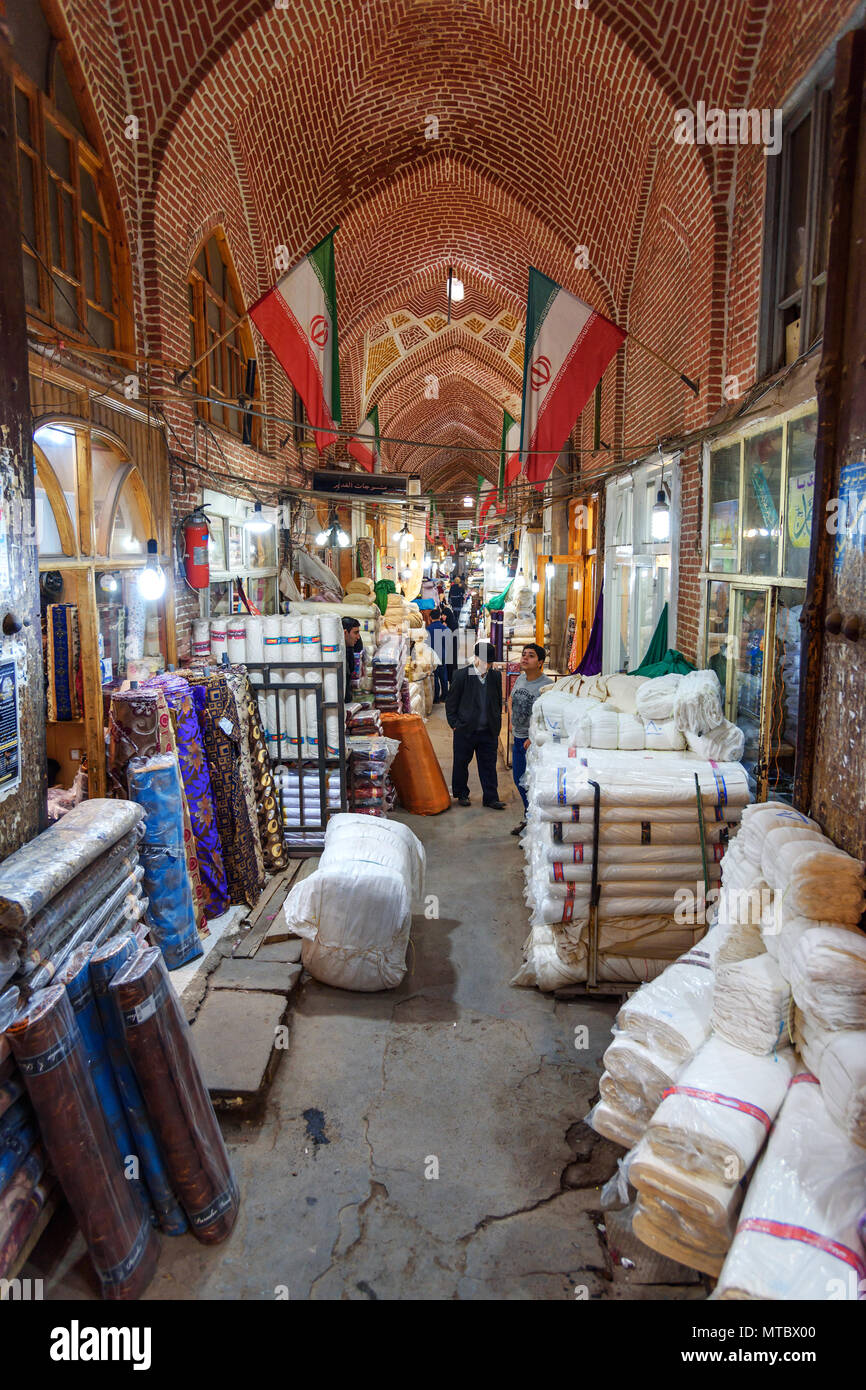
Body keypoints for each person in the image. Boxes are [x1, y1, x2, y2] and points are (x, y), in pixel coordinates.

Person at [445, 640, 505, 809]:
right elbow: (451, 703)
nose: (489, 665)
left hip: (488, 731)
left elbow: (497, 702)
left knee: (489, 766)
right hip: (465, 730)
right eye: (486, 662)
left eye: (491, 662)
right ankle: (462, 794)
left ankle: (491, 798)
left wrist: (496, 722)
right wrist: (455, 724)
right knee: (461, 763)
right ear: (476, 659)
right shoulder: (462, 675)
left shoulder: (495, 676)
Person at [508, 643, 552, 835]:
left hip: (532, 742)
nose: (525, 658)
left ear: (540, 662)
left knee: (532, 783)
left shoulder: (546, 686)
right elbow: (511, 699)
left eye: (531, 656)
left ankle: (534, 824)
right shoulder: (520, 679)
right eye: (524, 654)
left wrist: (533, 738)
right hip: (517, 738)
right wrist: (511, 720)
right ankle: (529, 818)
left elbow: (547, 716)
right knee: (519, 781)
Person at [426, 608, 450, 703]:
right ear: (440, 617)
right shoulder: (445, 629)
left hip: (432, 656)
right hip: (443, 655)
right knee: (443, 676)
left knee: (434, 676)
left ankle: (436, 698)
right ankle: (445, 696)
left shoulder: (427, 629)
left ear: (431, 617)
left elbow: (426, 645)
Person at [341, 617, 363, 702]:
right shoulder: (338, 654)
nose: (358, 637)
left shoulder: (349, 649)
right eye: (356, 633)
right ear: (345, 633)